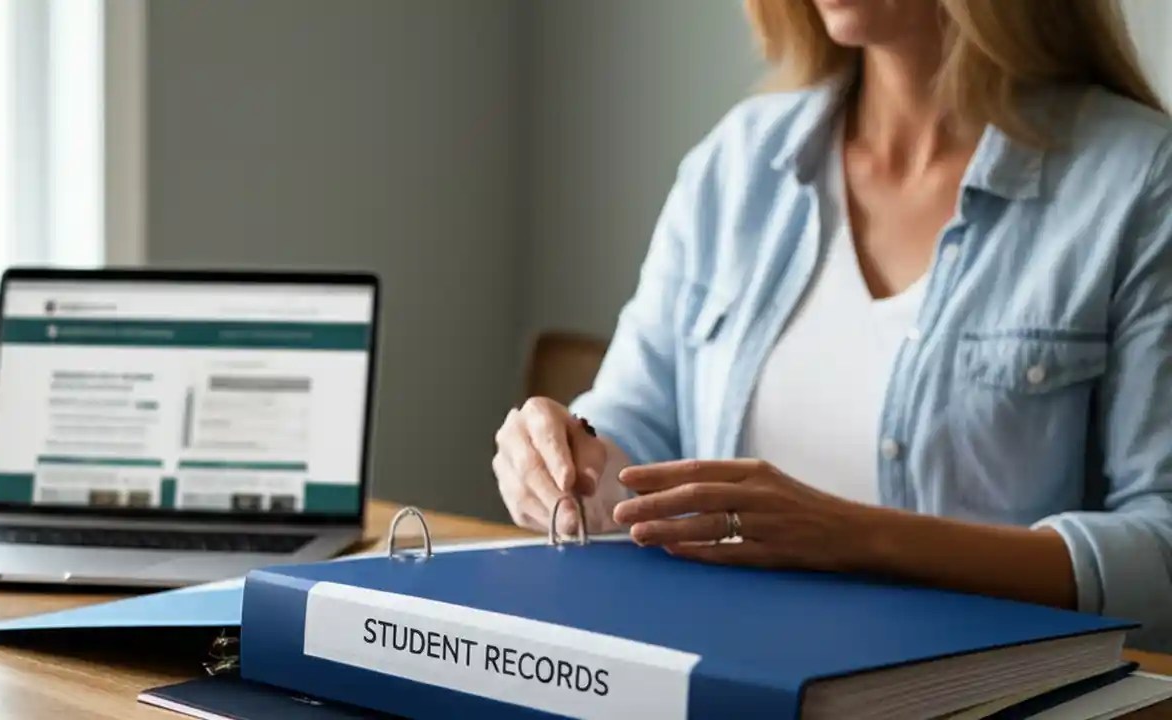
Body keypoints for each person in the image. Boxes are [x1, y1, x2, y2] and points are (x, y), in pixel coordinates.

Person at [492, 0, 1172, 651]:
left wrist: (852, 537)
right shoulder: (737, 164)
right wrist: (566, 457)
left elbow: (1161, 548)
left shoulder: (1137, 181)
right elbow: (635, 430)